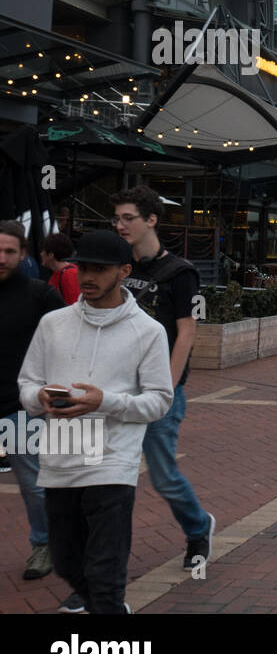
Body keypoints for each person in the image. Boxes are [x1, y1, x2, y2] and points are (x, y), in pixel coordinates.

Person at [19, 230, 173, 614]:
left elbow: (159, 401)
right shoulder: (53, 323)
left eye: (99, 269)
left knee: (105, 572)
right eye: (83, 267)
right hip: (61, 456)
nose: (88, 276)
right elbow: (27, 383)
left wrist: (105, 401)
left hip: (112, 461)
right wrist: (39, 398)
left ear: (124, 271)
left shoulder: (148, 331)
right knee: (68, 562)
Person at [112, 185, 214, 573]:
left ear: (151, 220)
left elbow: (186, 332)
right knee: (102, 472)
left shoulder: (180, 272)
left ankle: (198, 527)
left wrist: (167, 389)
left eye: (128, 218)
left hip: (160, 390)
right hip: (118, 387)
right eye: (117, 218)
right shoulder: (120, 267)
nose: (120, 225)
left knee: (163, 476)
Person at [1, 221, 67, 582]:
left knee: (33, 484)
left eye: (10, 251)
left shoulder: (40, 295)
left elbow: (68, 347)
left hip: (19, 409)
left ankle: (44, 544)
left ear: (23, 254)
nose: (2, 258)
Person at [41, 233, 80, 306]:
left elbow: (74, 307)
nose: (41, 254)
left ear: (51, 255)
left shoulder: (70, 274)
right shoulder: (59, 273)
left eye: (43, 251)